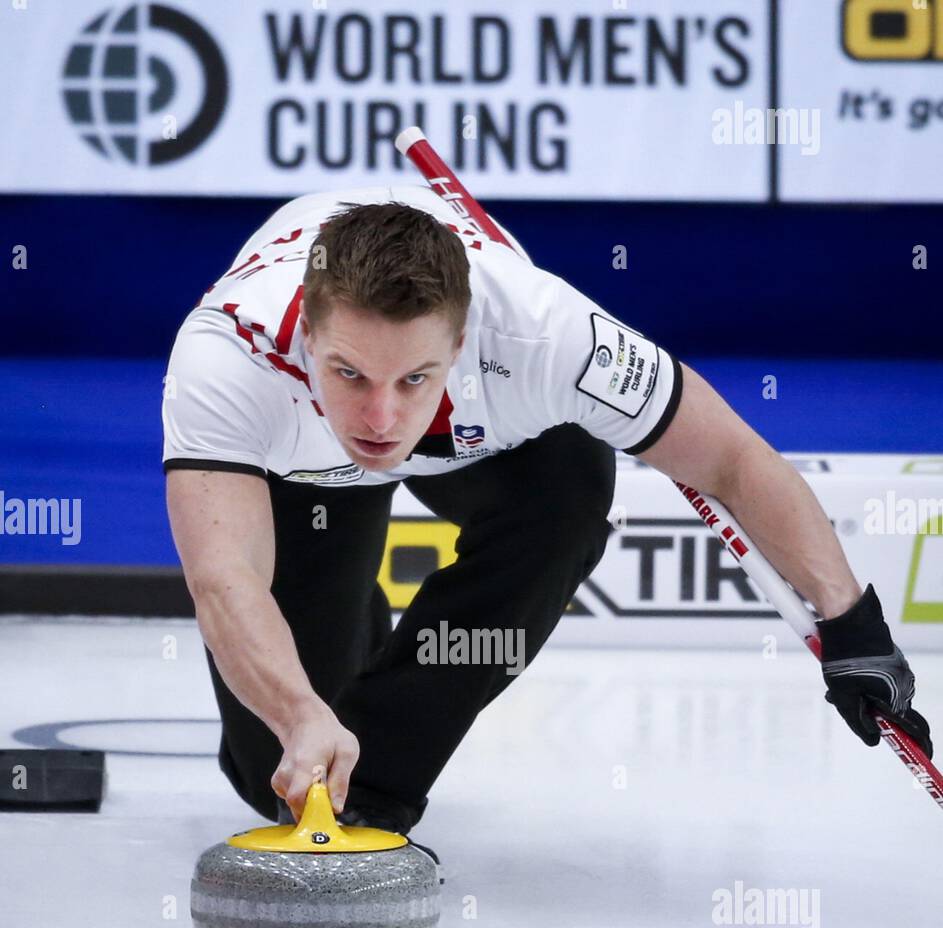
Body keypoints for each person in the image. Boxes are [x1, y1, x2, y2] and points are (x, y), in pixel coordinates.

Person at [163, 184, 932, 838]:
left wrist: (851, 625)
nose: (380, 417)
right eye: (350, 372)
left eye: (413, 378)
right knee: (272, 769)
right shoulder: (231, 354)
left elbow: (733, 458)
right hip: (304, 468)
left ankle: (376, 786)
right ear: (307, 337)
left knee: (567, 488)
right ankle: (343, 618)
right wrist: (299, 716)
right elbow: (226, 581)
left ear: (462, 342)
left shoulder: (546, 335)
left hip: (488, 440)